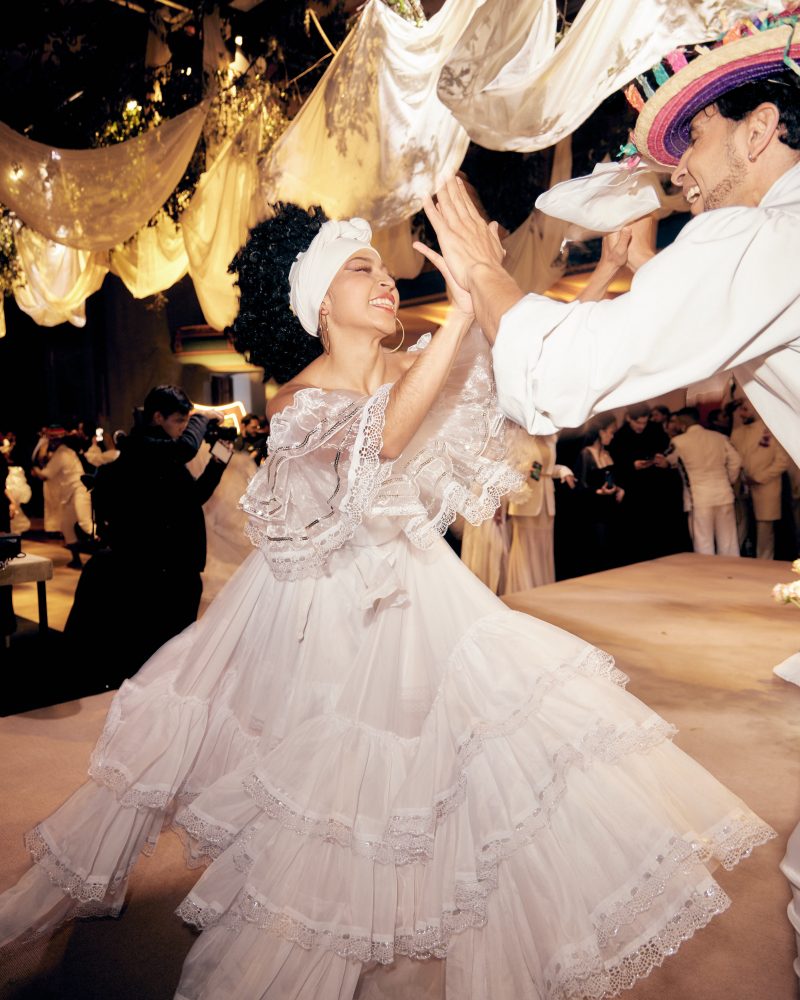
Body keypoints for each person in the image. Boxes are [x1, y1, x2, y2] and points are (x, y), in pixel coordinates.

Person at [0, 206, 775, 1000]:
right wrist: (465, 311)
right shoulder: (299, 398)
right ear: (318, 305)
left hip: (417, 596)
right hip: (321, 617)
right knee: (324, 786)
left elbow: (521, 351)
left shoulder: (414, 374)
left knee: (458, 766)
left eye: (381, 266)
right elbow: (385, 437)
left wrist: (606, 272)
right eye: (359, 268)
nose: (383, 280)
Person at [415, 13, 800, 467]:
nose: (678, 171)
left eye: (694, 138)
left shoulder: (768, 236)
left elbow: (558, 369)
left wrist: (481, 268)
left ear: (757, 131)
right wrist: (642, 259)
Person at [64, 387, 231, 687]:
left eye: (186, 421)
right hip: (157, 568)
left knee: (172, 645)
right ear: (158, 417)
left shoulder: (162, 452)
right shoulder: (144, 447)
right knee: (162, 649)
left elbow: (192, 497)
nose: (183, 427)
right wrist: (201, 419)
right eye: (180, 420)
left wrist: (221, 455)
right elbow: (185, 450)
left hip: (174, 564)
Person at [656, 406, 742, 556]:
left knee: (703, 542)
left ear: (682, 423)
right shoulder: (719, 437)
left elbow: (666, 461)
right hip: (724, 493)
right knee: (728, 542)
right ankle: (731, 573)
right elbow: (736, 460)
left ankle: (707, 576)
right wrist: (729, 480)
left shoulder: (678, 442)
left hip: (699, 497)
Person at [730, 396, 790, 559]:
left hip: (766, 487)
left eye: (745, 409)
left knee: (764, 529)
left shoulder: (771, 430)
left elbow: (782, 461)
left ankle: (765, 561)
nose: (742, 414)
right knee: (740, 523)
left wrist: (758, 477)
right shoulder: (736, 433)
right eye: (740, 410)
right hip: (741, 486)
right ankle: (740, 557)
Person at [573, 414, 626, 575]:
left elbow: (612, 480)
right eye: (610, 432)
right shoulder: (586, 454)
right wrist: (598, 491)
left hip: (610, 508)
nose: (612, 435)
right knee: (599, 554)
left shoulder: (607, 454)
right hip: (595, 512)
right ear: (600, 432)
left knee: (612, 553)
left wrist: (619, 489)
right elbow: (579, 487)